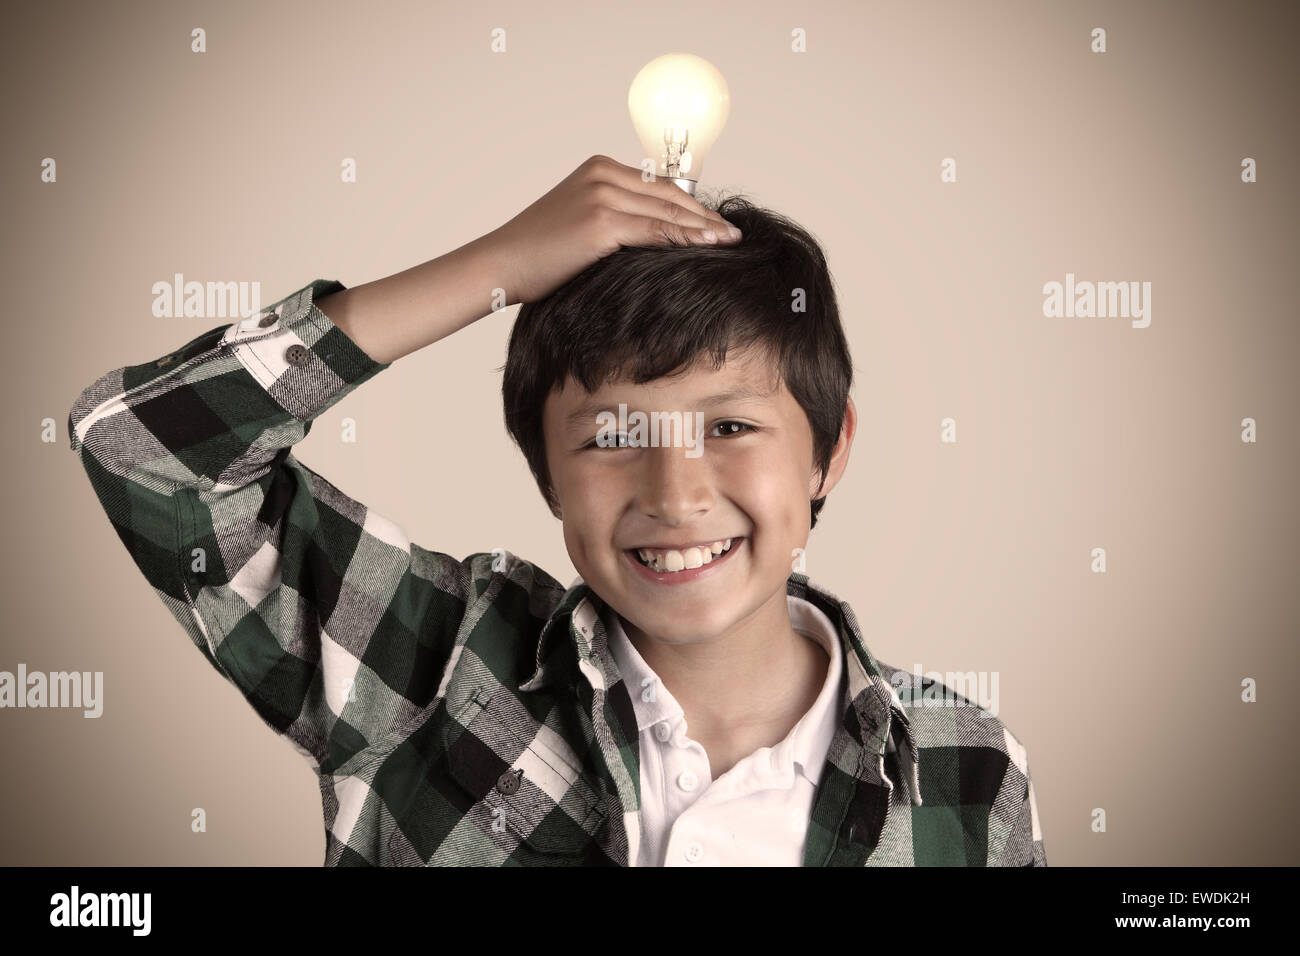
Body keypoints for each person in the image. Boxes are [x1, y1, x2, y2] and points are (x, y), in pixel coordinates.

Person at [68, 154, 1046, 866]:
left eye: (731, 427)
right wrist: (492, 265)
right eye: (611, 436)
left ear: (829, 449)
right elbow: (138, 447)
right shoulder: (429, 666)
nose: (674, 494)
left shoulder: (963, 768)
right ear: (545, 473)